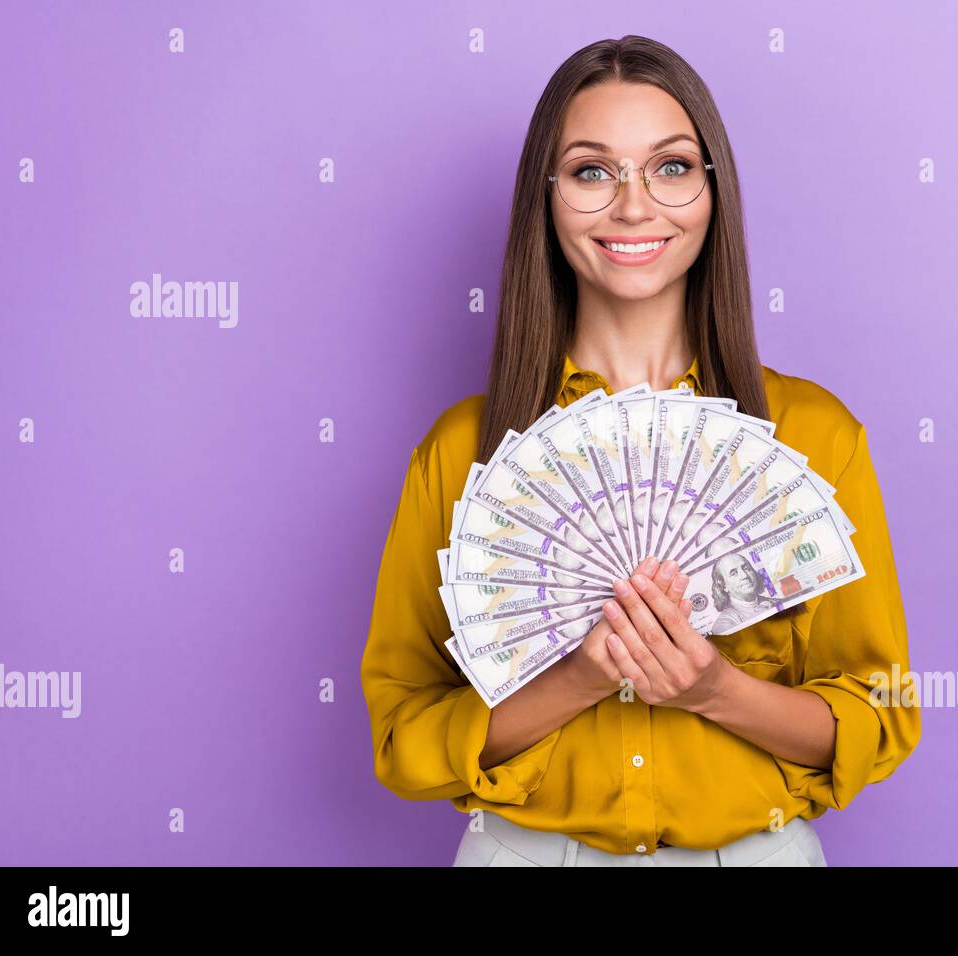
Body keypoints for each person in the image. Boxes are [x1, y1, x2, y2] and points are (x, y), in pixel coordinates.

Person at [359, 35, 921, 867]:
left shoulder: (817, 435)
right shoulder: (459, 454)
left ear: (712, 192)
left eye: (670, 167)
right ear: (546, 199)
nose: (633, 207)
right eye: (592, 171)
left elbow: (884, 710)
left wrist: (714, 690)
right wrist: (580, 679)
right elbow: (405, 734)